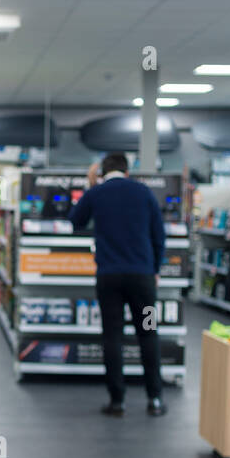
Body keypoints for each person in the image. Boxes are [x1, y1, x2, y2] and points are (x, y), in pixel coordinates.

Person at [69, 151, 167, 417]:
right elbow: (159, 235)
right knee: (148, 332)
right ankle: (155, 399)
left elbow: (75, 221)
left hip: (109, 278)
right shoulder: (143, 192)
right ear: (127, 170)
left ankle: (117, 401)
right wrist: (155, 269)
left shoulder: (97, 193)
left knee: (112, 336)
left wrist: (91, 186)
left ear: (102, 171)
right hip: (142, 279)